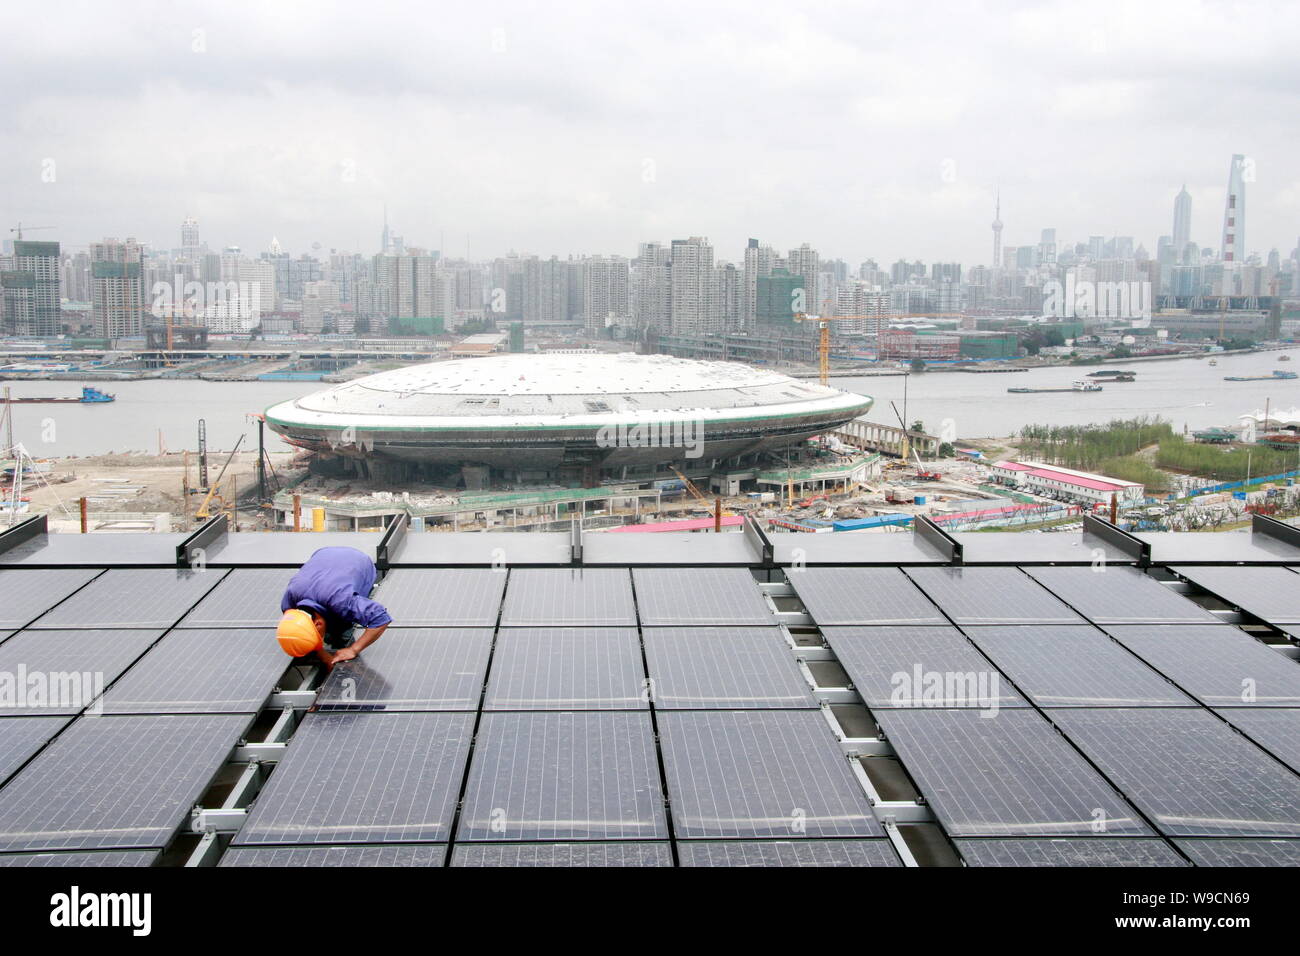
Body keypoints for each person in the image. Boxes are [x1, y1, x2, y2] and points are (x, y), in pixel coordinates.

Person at [275, 546, 392, 665]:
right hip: (323, 554)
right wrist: (324, 656)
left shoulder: (342, 601)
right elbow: (301, 629)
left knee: (343, 628)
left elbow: (381, 617)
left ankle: (343, 636)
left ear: (318, 624)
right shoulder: (289, 601)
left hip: (359, 562)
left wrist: (353, 649)